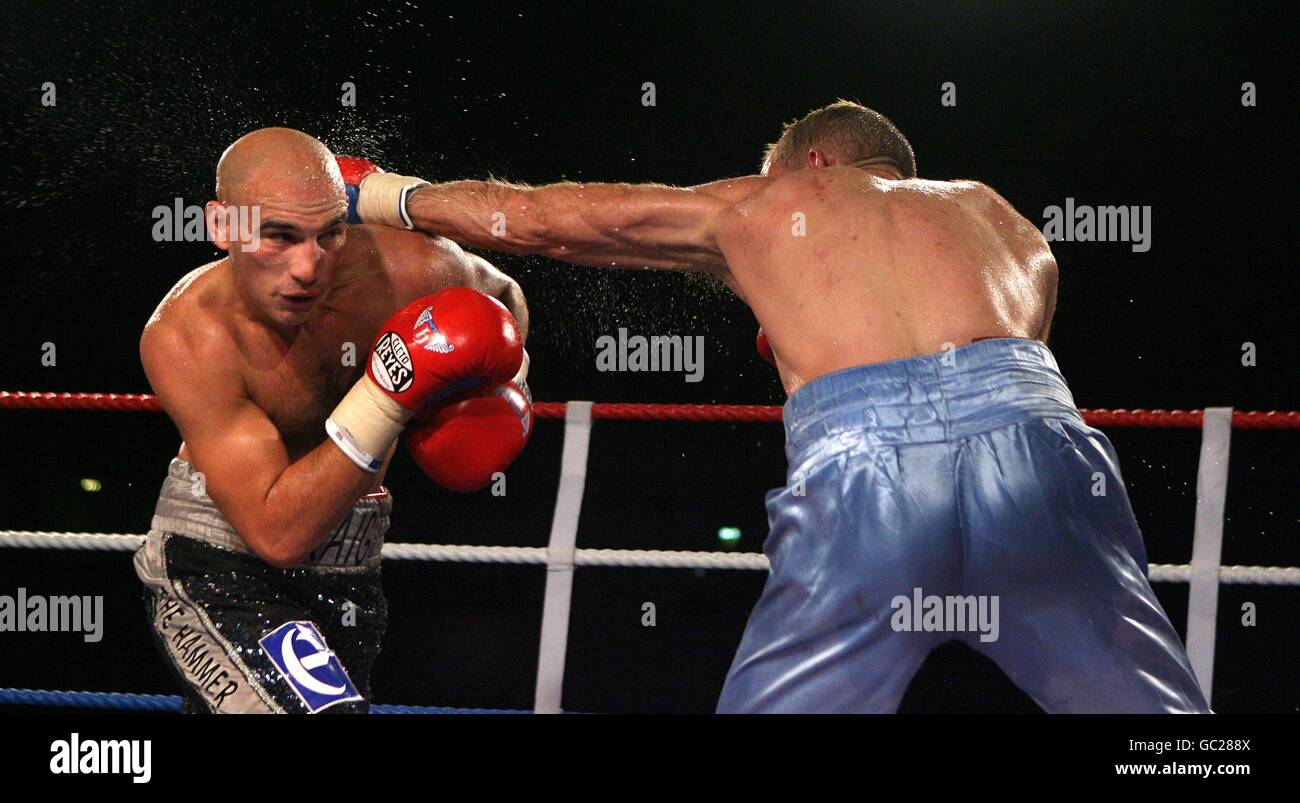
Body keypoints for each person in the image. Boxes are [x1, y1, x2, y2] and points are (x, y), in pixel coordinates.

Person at [346, 100, 1210, 713]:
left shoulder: (772, 199)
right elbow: (1007, 370)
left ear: (814, 162)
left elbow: (536, 219)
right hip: (1039, 451)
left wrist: (380, 193)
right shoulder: (1003, 218)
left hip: (869, 474)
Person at [134, 128, 531, 713]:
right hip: (220, 565)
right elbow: (279, 533)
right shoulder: (189, 336)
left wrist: (507, 381)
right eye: (280, 237)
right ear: (222, 227)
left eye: (329, 235)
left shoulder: (403, 273)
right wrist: (392, 392)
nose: (307, 268)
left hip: (353, 563)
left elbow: (504, 303)